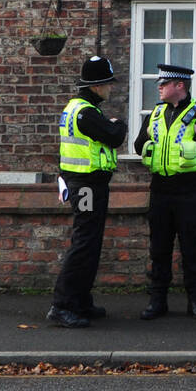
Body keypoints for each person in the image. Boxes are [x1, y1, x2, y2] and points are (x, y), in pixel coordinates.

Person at [135, 63, 196, 321]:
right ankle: (157, 301)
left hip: (189, 191)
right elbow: (138, 145)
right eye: (160, 84)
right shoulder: (155, 113)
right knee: (159, 248)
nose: (160, 88)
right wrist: (147, 136)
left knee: (190, 248)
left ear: (180, 86)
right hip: (160, 190)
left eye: (164, 84)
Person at [48, 55, 128, 328]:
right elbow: (115, 137)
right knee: (84, 244)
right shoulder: (86, 113)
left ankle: (80, 301)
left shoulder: (76, 108)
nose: (111, 88)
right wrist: (120, 124)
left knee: (89, 244)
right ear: (96, 86)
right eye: (108, 84)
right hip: (86, 187)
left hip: (83, 185)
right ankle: (62, 305)